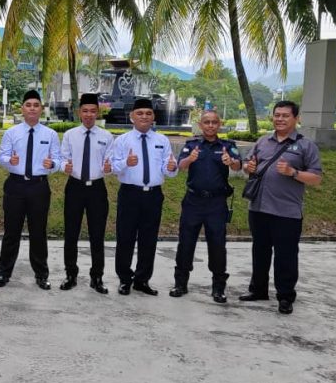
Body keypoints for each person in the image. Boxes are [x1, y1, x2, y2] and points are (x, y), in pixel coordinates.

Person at [241, 101, 322, 314]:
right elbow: (247, 165)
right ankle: (258, 289)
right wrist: (248, 167)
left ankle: (285, 296)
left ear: (296, 118)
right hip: (258, 208)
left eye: (285, 115)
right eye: (277, 115)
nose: (280, 119)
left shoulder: (306, 146)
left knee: (285, 255)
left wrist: (293, 172)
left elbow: (316, 178)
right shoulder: (263, 141)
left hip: (286, 212)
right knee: (260, 251)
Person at [170, 110, 241, 303]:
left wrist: (231, 161)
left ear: (219, 124)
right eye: (206, 122)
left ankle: (218, 287)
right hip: (193, 201)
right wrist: (190, 159)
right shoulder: (191, 145)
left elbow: (237, 165)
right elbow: (181, 166)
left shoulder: (228, 146)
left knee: (217, 245)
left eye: (214, 122)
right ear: (200, 125)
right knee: (186, 243)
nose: (210, 125)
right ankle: (180, 283)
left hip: (216, 203)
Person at [0, 90, 61, 289]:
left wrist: (52, 164)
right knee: (11, 232)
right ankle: (3, 274)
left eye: (36, 105)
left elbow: (58, 160)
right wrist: (10, 160)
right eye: (28, 105)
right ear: (22, 109)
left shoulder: (50, 134)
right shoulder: (12, 133)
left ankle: (41, 275)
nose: (32, 108)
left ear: (41, 109)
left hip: (39, 187)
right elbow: (2, 157)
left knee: (38, 232)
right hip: (15, 186)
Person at [111, 98, 178, 296]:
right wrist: (126, 162)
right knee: (125, 237)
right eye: (140, 113)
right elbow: (113, 167)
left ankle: (142, 280)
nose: (144, 117)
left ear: (153, 116)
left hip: (153, 195)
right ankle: (125, 279)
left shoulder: (162, 140)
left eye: (148, 113)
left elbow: (168, 169)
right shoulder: (122, 140)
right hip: (130, 194)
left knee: (149, 239)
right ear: (132, 116)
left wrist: (171, 168)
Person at [59, 93, 115, 294]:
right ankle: (70, 275)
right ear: (79, 112)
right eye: (85, 111)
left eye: (92, 111)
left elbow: (111, 162)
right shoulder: (70, 135)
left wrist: (109, 168)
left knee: (97, 235)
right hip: (75, 187)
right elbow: (63, 158)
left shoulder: (106, 137)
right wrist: (64, 166)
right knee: (71, 233)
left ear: (97, 112)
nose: (89, 115)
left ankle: (97, 277)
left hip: (97, 189)